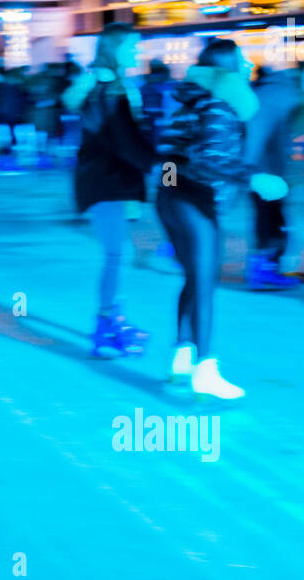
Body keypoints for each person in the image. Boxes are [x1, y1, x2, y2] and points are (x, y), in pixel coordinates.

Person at [155, 38, 287, 399]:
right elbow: (209, 160)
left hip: (172, 196)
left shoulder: (189, 99)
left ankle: (181, 357)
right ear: (227, 66)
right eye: (241, 60)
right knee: (204, 281)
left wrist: (171, 186)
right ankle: (205, 369)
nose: (247, 66)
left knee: (195, 277)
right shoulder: (218, 104)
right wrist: (254, 178)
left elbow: (168, 154)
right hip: (193, 198)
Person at [62, 23, 155, 357]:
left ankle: (113, 319)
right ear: (114, 48)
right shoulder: (109, 89)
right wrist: (159, 164)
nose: (136, 52)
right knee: (117, 254)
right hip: (107, 179)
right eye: (131, 47)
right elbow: (122, 139)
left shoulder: (111, 85)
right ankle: (106, 326)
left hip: (111, 178)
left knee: (119, 253)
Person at [242, 62, 303, 289]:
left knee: (271, 218)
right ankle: (262, 271)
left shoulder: (275, 90)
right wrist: (250, 169)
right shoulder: (283, 93)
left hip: (267, 169)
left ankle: (264, 268)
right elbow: (258, 134)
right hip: (267, 171)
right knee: (271, 219)